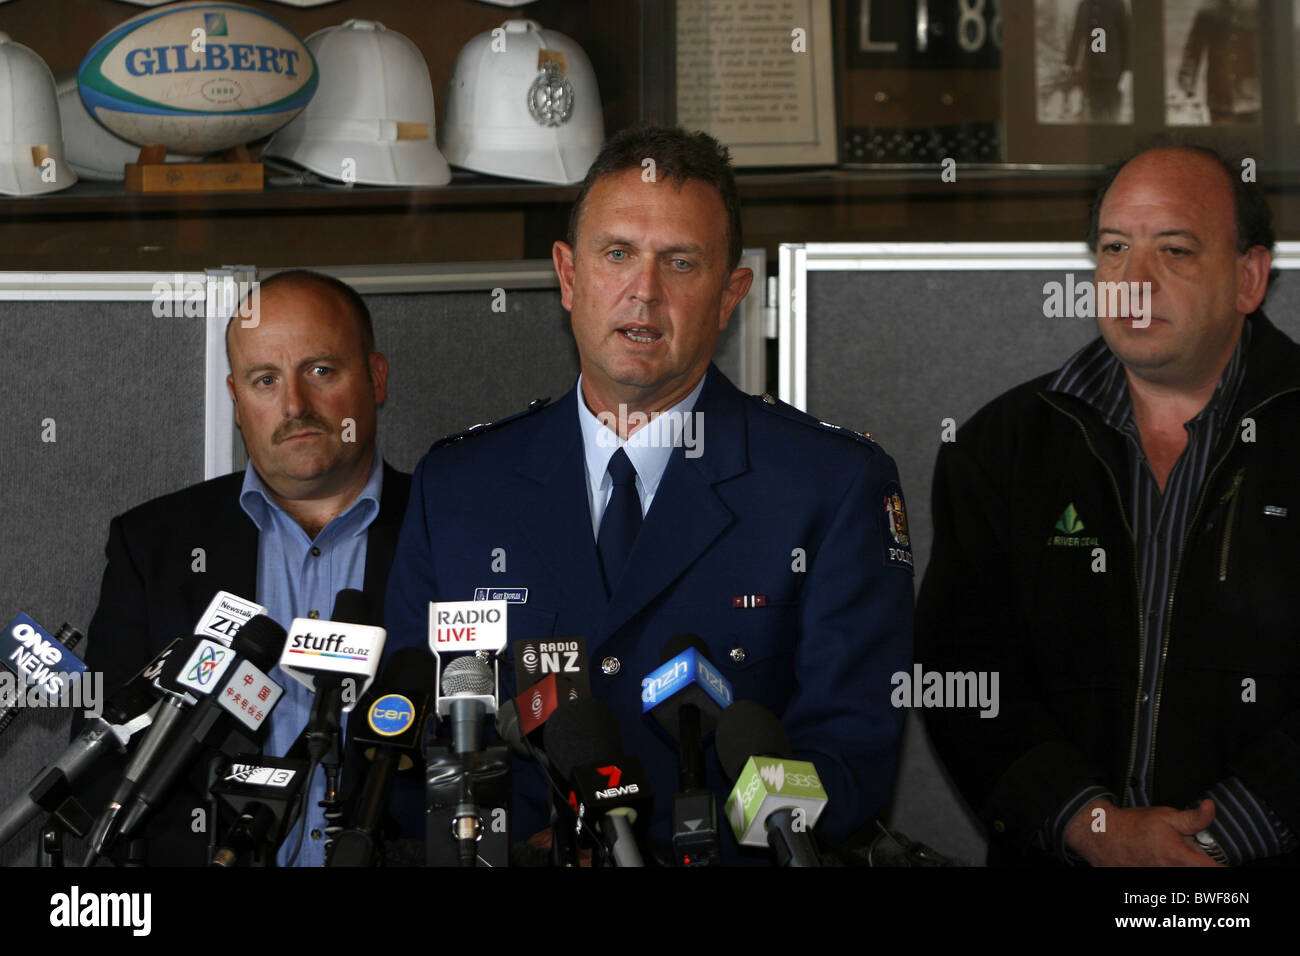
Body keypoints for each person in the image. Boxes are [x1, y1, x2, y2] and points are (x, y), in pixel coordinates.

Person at [384, 124, 914, 861]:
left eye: (682, 262)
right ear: (568, 276)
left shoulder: (829, 486)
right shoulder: (460, 486)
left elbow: (849, 754)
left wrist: (655, 851)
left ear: (732, 293)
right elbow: (418, 740)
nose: (645, 290)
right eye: (617, 253)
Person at [916, 146, 1300, 866]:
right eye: (1114, 249)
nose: (1134, 281)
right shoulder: (1000, 446)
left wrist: (1230, 836)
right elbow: (962, 674)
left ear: (1249, 277)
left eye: (1175, 251)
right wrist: (1092, 825)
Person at [83, 269, 410, 866]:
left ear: (376, 376)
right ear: (236, 400)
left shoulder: (448, 527)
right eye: (266, 380)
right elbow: (106, 766)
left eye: (321, 370)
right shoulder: (153, 547)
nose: (295, 405)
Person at [1177, 0, 1261, 125]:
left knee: (1256, 142)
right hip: (1219, 97)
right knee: (1220, 142)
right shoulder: (1209, 9)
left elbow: (1274, 50)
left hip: (1253, 99)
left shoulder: (1259, 9)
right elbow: (1194, 46)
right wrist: (1187, 82)